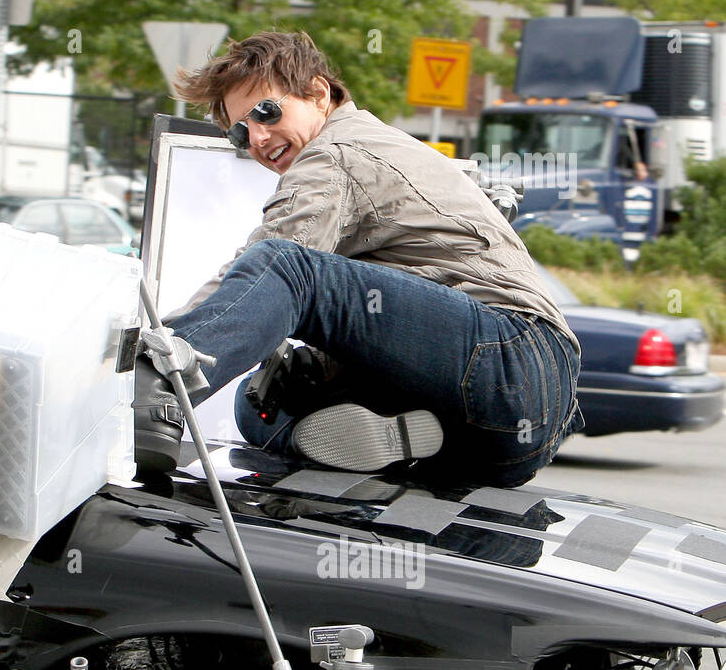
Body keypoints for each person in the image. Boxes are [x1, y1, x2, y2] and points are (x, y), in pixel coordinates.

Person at [135, 31, 583, 489]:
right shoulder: (386, 144)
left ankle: (161, 382)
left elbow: (274, 265)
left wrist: (155, 349)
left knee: (284, 266)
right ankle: (408, 435)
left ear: (318, 92)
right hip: (501, 433)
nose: (258, 137)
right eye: (240, 131)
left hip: (511, 353)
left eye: (266, 112)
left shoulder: (335, 152)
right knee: (264, 402)